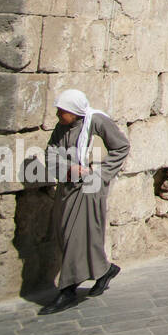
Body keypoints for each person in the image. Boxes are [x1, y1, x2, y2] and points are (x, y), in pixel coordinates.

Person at [40, 89, 131, 315]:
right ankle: (105, 270)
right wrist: (68, 169)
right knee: (70, 234)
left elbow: (121, 147)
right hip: (68, 187)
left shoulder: (97, 122)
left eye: (63, 111)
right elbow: (51, 151)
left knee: (76, 238)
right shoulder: (62, 126)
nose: (59, 115)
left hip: (90, 188)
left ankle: (68, 290)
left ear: (75, 111)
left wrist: (100, 174)